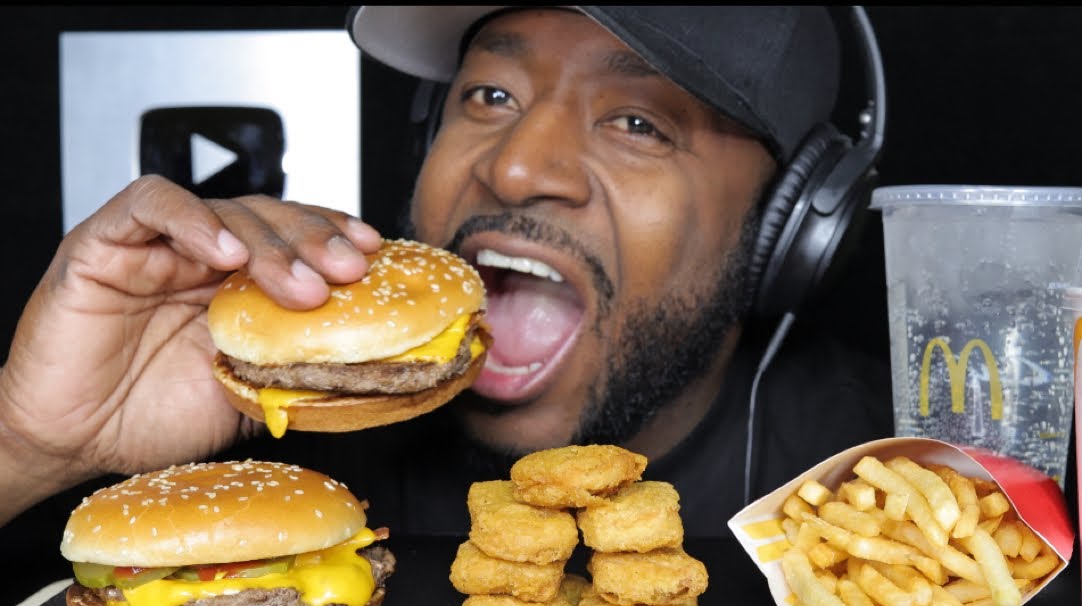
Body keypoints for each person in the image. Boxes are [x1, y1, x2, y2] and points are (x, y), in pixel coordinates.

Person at [0, 7, 889, 552]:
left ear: (791, 225)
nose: (514, 169)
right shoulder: (270, 439)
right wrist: (30, 446)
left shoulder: (893, 495)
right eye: (490, 96)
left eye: (637, 122)